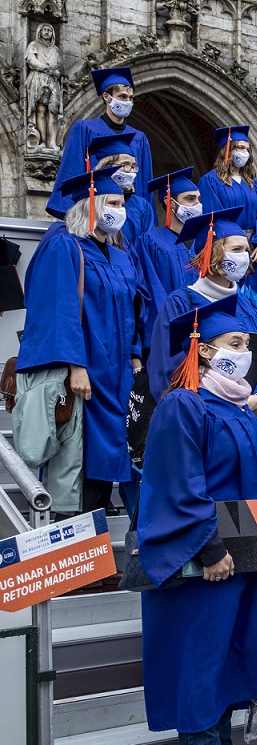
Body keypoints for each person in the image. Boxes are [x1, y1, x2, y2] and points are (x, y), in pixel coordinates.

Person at [136, 295, 257, 745]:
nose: (244, 353)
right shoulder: (184, 403)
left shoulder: (233, 406)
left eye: (246, 344)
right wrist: (211, 547)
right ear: (202, 348)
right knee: (200, 655)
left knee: (227, 653)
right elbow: (179, 484)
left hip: (242, 539)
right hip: (205, 552)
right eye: (233, 344)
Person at [16, 167, 140, 515]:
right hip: (85, 377)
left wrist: (134, 357)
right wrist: (76, 365)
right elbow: (58, 309)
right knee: (75, 467)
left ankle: (93, 559)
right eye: (111, 202)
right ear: (90, 205)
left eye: (121, 202)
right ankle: (72, 552)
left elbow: (133, 311)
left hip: (115, 378)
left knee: (104, 470)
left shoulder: (119, 256)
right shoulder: (65, 247)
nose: (120, 208)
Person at [148, 209, 257, 412]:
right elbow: (168, 365)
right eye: (236, 249)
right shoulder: (182, 303)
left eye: (246, 250)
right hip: (206, 415)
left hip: (252, 414)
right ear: (213, 253)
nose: (245, 257)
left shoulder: (248, 306)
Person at [49, 66, 156, 219]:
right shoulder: (85, 128)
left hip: (129, 213)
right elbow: (72, 168)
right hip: (93, 209)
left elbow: (144, 180)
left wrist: (145, 216)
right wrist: (73, 214)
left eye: (130, 98)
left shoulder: (139, 138)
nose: (128, 102)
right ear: (107, 97)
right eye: (122, 96)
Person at [130, 168, 204, 341]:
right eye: (190, 199)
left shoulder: (203, 243)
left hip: (202, 330)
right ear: (170, 202)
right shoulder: (150, 241)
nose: (197, 205)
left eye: (199, 199)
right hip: (167, 331)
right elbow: (152, 289)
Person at [198, 126, 257, 262]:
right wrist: (234, 243)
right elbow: (214, 216)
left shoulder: (251, 183)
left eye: (247, 149)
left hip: (251, 248)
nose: (245, 152)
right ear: (227, 150)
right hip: (227, 246)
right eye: (239, 148)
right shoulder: (210, 181)